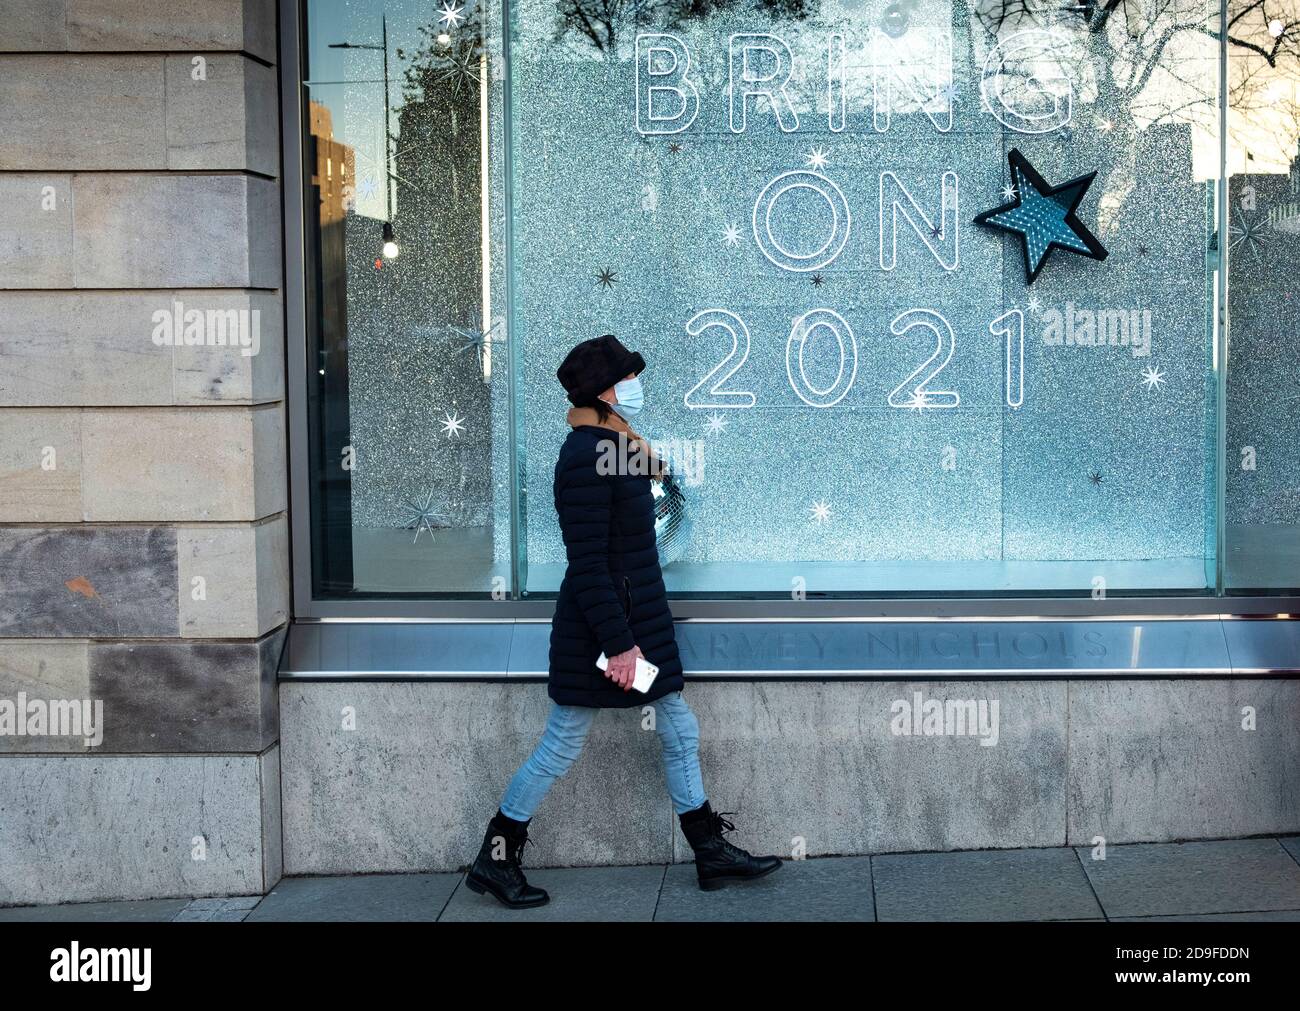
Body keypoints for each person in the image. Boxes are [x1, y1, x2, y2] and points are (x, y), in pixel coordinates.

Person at [465, 334, 782, 907]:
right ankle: (496, 857)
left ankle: (709, 851)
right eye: (628, 377)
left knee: (679, 729)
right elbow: (587, 566)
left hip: (635, 628)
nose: (638, 386)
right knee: (562, 743)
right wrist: (619, 647)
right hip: (604, 635)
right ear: (606, 392)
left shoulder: (619, 446)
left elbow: (633, 547)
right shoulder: (586, 457)